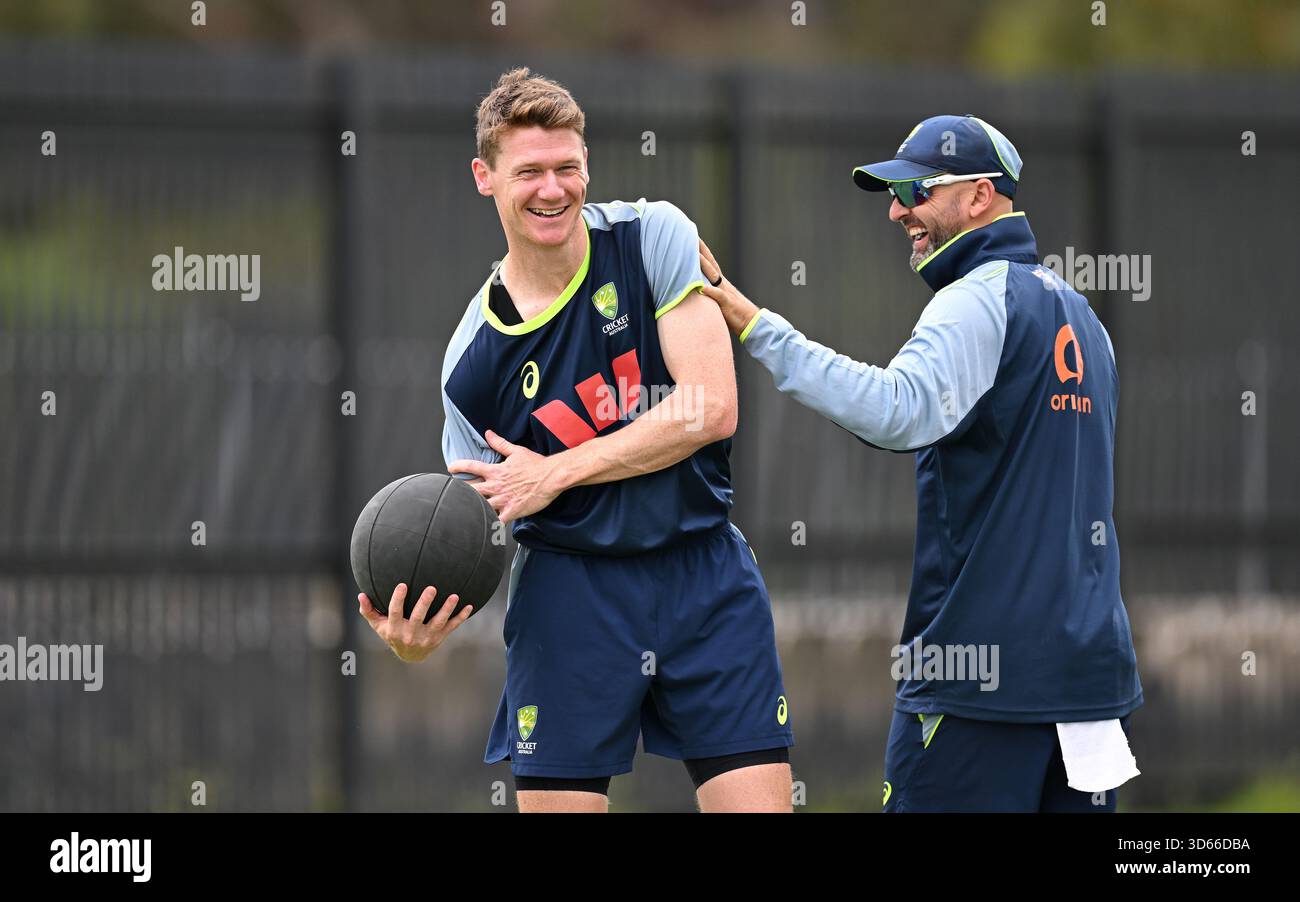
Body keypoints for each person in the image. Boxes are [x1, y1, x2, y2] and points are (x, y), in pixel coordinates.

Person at [359, 68, 794, 813]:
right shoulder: (472, 364)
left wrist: (556, 471)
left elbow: (712, 406)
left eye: (567, 168)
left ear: (587, 166)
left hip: (705, 573)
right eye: (528, 171)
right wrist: (414, 637)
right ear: (484, 177)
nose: (552, 190)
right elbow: (470, 531)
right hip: (570, 595)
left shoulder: (654, 237)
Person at [697, 114, 1142, 812]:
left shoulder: (974, 300)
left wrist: (757, 327)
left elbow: (894, 410)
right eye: (895, 193)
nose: (898, 210)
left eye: (917, 191)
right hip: (1089, 685)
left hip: (979, 686)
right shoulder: (1085, 316)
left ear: (980, 195)